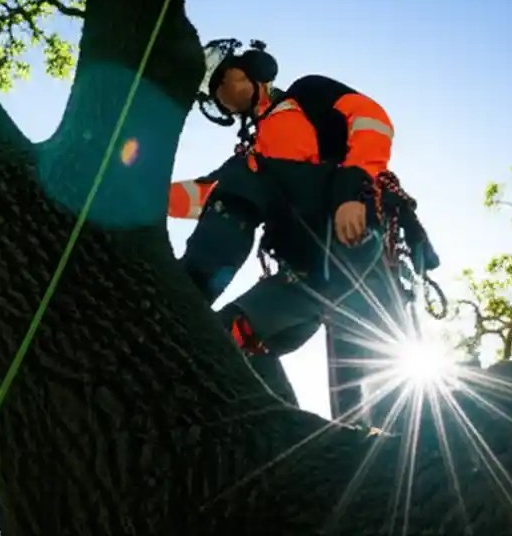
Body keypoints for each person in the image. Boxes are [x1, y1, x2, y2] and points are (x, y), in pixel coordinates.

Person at [168, 38, 440, 426]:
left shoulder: (307, 95)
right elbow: (213, 196)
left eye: (221, 83)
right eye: (214, 96)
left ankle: (410, 457)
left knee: (371, 392)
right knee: (223, 336)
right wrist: (145, 193)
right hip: (304, 271)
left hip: (355, 247)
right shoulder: (252, 158)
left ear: (251, 70)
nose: (222, 98)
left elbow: (371, 118)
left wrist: (353, 191)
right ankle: (288, 436)